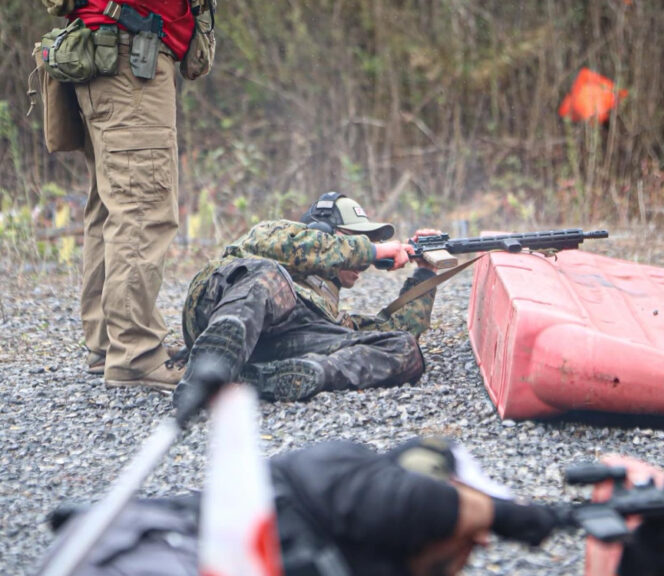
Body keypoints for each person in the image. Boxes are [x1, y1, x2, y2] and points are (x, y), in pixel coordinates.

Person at [43, 437, 564, 576]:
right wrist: (512, 516)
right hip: (149, 552)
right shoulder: (342, 471)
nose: (471, 551)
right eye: (468, 530)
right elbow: (414, 503)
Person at [39, 0, 210, 389]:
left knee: (115, 204)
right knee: (141, 208)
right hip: (128, 60)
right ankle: (135, 354)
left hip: (114, 53)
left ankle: (110, 344)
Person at [173, 191, 442, 408]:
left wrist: (425, 273)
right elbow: (287, 248)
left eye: (371, 240)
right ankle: (206, 372)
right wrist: (371, 251)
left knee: (402, 346)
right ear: (320, 232)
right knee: (269, 276)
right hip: (217, 307)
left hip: (275, 344)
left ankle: (272, 378)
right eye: (358, 238)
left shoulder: (326, 308)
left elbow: (394, 331)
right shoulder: (277, 237)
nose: (365, 251)